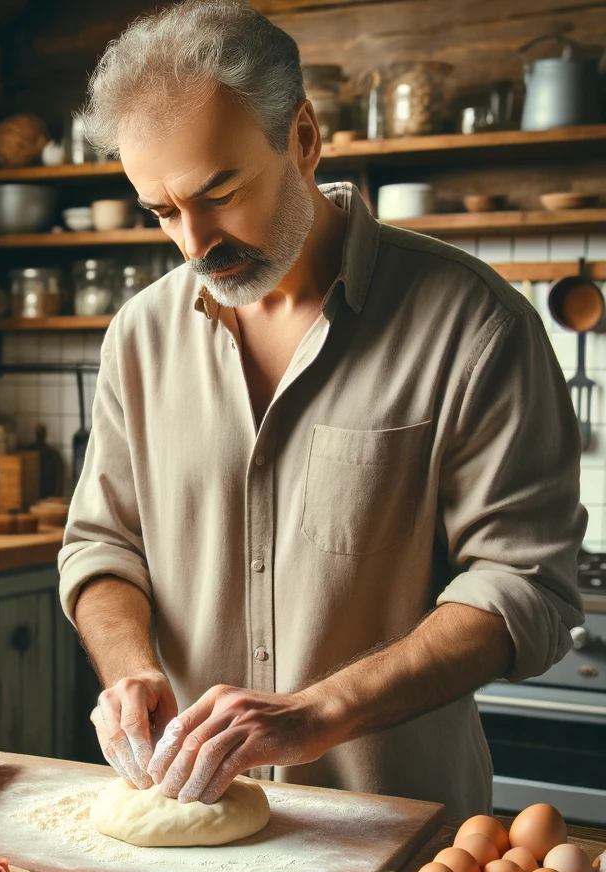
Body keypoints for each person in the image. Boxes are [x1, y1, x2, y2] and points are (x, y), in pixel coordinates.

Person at [58, 0, 584, 818]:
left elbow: (525, 585)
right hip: (196, 824)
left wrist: (319, 713)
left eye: (220, 192)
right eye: (163, 212)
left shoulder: (477, 326)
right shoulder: (139, 335)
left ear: (302, 138)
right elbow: (102, 546)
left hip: (403, 834)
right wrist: (130, 669)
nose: (195, 244)